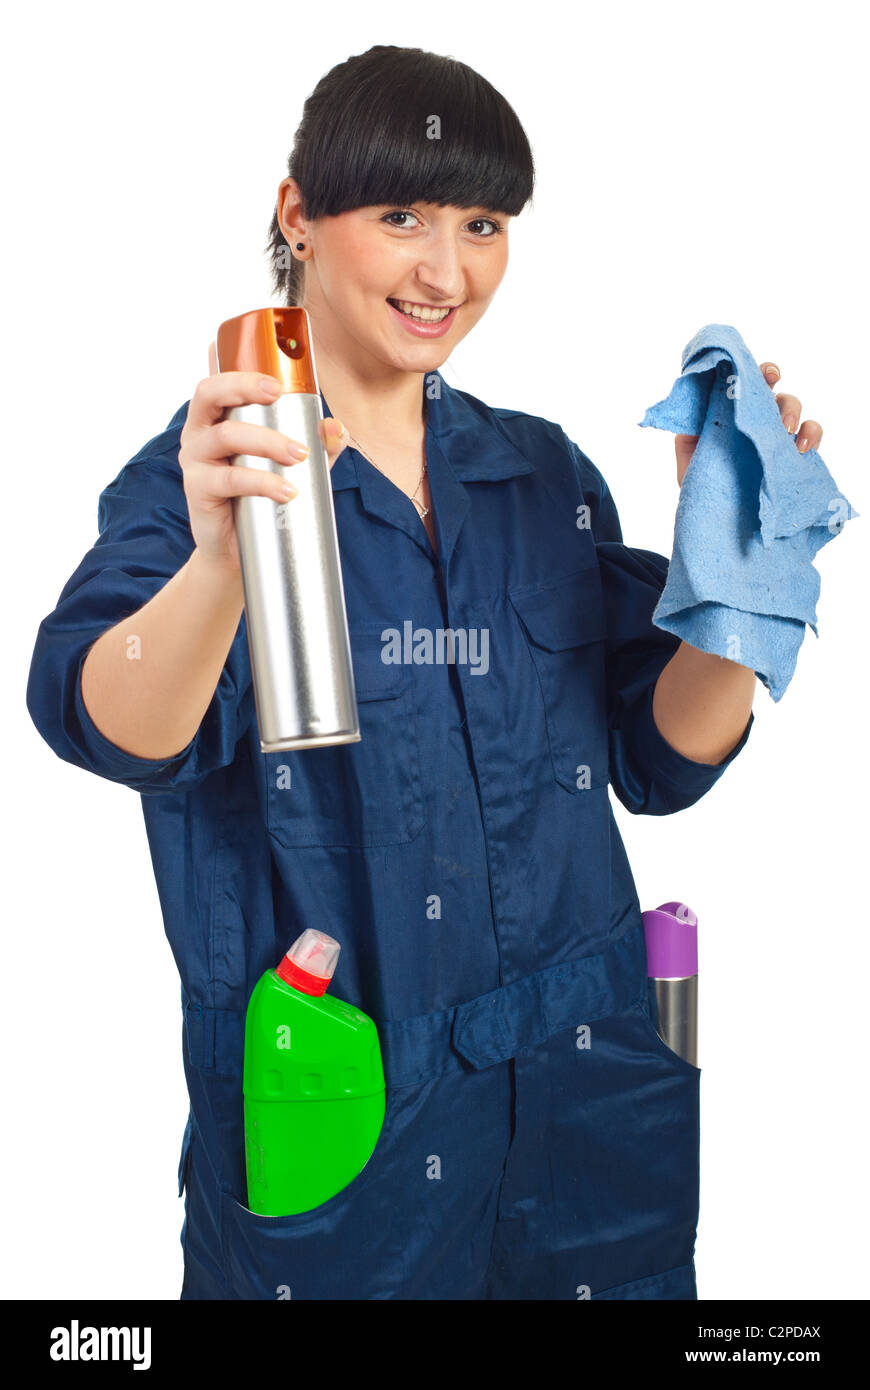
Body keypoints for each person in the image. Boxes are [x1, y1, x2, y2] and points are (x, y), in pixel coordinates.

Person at [29, 44, 785, 1301]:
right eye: (401, 218)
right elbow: (106, 723)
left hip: (583, 1094)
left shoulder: (543, 475)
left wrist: (738, 587)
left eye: (482, 224)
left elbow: (662, 760)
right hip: (349, 1126)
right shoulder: (202, 479)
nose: (447, 271)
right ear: (299, 220)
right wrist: (226, 561)